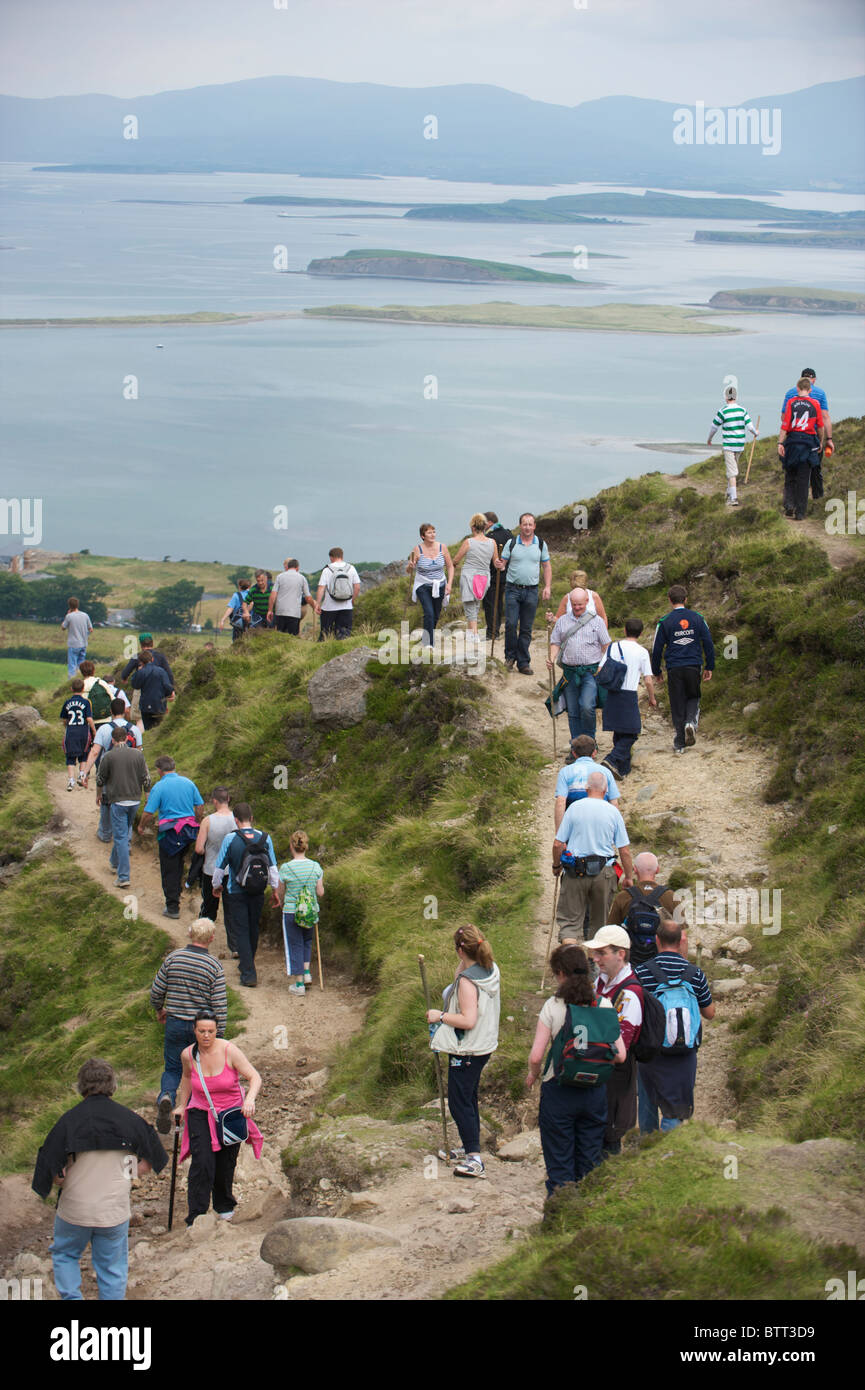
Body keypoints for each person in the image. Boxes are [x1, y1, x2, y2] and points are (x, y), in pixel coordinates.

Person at [32, 1058, 166, 1301]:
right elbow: (151, 1161)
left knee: (65, 1255)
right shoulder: (130, 1120)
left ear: (80, 1086)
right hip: (114, 1209)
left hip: (75, 1209)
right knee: (112, 1267)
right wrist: (124, 1172)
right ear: (113, 1085)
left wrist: (63, 1178)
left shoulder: (68, 1121)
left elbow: (53, 1173)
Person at [526, 944, 625, 1197]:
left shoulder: (552, 1006)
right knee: (590, 1162)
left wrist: (532, 1075)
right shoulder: (603, 1004)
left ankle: (558, 1224)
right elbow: (621, 1055)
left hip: (559, 1091)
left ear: (560, 973)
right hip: (594, 1092)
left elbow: (537, 1055)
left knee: (560, 1164)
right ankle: (587, 1222)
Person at [173, 1011, 263, 1225]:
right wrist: (182, 1105)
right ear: (194, 1031)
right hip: (200, 1110)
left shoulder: (229, 1050)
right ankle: (197, 1214)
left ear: (216, 1031)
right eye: (201, 1031)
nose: (206, 1035)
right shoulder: (188, 1055)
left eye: (210, 1031)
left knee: (225, 1162)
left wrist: (249, 1100)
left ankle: (224, 1205)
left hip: (231, 1114)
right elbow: (187, 1078)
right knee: (202, 1161)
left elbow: (254, 1077)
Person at [426, 925, 500, 1179]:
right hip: (483, 1045)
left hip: (467, 1048)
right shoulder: (489, 969)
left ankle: (475, 1159)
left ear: (460, 950)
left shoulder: (468, 983)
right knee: (468, 1098)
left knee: (459, 1103)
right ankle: (469, 1148)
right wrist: (463, 962)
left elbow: (468, 1020)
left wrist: (440, 1016)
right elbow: (460, 975)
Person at [634, 916, 714, 1133]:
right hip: (684, 1053)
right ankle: (669, 1154)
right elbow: (710, 1013)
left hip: (651, 1051)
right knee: (675, 1110)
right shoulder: (695, 974)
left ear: (657, 940)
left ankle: (646, 1149)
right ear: (681, 942)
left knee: (648, 1103)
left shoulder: (641, 972)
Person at [150, 918, 228, 1133]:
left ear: (189, 934)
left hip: (174, 1021)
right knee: (197, 1069)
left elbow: (157, 990)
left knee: (173, 1066)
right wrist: (217, 1034)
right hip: (201, 1027)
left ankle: (166, 1094)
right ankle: (190, 1114)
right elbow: (219, 1004)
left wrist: (160, 1009)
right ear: (211, 938)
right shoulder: (214, 966)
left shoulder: (173, 958)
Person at [553, 770, 634, 942]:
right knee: (599, 925)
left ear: (587, 788)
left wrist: (556, 865)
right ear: (605, 791)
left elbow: (558, 844)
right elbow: (624, 850)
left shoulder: (574, 808)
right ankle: (594, 966)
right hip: (604, 873)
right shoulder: (613, 812)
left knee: (569, 923)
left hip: (575, 871)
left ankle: (570, 963)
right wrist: (629, 876)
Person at [585, 925, 645, 1157]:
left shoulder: (629, 994)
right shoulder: (599, 983)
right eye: (595, 953)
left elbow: (621, 1048)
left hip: (615, 1078)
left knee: (608, 1142)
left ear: (621, 953)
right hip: (597, 1074)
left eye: (602, 953)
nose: (596, 959)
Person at [212, 802, 280, 988]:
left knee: (241, 929)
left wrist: (216, 886)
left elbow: (219, 868)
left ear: (235, 820)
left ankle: (249, 973)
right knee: (253, 928)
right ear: (251, 818)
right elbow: (273, 868)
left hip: (236, 891)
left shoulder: (230, 839)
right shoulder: (265, 838)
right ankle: (247, 963)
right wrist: (275, 890)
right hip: (258, 890)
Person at [138, 756, 205, 919]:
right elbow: (200, 805)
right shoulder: (188, 783)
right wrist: (197, 821)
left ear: (160, 771)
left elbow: (148, 812)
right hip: (188, 831)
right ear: (174, 767)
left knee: (169, 868)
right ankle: (178, 893)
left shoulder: (160, 786)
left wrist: (141, 826)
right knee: (179, 863)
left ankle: (172, 907)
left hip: (170, 832)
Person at [651, 585, 715, 755]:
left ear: (669, 600)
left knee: (677, 701)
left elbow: (657, 648)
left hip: (674, 667)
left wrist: (656, 670)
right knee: (693, 695)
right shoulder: (698, 618)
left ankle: (680, 742)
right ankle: (690, 722)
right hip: (693, 665)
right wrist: (710, 666)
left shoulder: (664, 622)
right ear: (686, 599)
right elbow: (708, 643)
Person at [547, 588, 612, 741]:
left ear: (587, 602)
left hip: (590, 672)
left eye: (580, 605)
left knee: (587, 706)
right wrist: (551, 657)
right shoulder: (562, 621)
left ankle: (589, 742)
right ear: (570, 602)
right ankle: (576, 745)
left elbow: (606, 646)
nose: (577, 608)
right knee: (573, 711)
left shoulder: (597, 622)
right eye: (574, 604)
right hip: (569, 673)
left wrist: (604, 667)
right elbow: (555, 642)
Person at [597, 618, 657, 778]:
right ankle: (612, 759)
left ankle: (623, 769)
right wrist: (652, 698)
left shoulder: (613, 647)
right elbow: (648, 680)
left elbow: (600, 669)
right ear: (641, 633)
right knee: (632, 732)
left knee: (619, 731)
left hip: (612, 693)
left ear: (624, 630)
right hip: (629, 694)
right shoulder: (642, 652)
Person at [494, 512, 551, 674]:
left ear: (534, 526)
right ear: (520, 525)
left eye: (530, 524)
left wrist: (547, 587)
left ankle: (523, 662)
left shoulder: (540, 544)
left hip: (532, 590)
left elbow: (546, 566)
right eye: (524, 524)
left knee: (526, 627)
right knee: (511, 624)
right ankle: (510, 657)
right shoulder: (511, 543)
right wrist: (500, 565)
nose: (527, 527)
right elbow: (503, 564)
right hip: (512, 589)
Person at [607, 851, 687, 964]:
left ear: (634, 870)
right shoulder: (671, 897)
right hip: (661, 965)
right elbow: (682, 938)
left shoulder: (623, 897)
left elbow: (611, 934)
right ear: (658, 870)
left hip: (631, 966)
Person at [95, 725, 151, 888]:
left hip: (118, 801)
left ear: (112, 740)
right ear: (127, 738)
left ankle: (124, 876)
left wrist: (99, 795)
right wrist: (147, 798)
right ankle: (114, 862)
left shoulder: (108, 756)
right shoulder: (138, 755)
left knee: (120, 837)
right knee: (123, 833)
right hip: (135, 800)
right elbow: (146, 778)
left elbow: (100, 779)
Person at [276, 830, 324, 996]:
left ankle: (299, 985)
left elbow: (280, 891)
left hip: (291, 911)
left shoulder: (286, 868)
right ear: (306, 846)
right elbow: (320, 892)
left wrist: (281, 901)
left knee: (294, 944)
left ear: (291, 846)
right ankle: (306, 974)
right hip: (311, 911)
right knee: (306, 941)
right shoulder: (315, 867)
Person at [781, 367, 834, 501]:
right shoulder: (820, 394)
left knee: (792, 471)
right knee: (815, 468)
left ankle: (790, 501)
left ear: (800, 380)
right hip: (813, 436)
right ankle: (817, 498)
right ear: (814, 380)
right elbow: (825, 417)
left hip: (793, 436)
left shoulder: (790, 393)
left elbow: (783, 417)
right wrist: (829, 439)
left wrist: (782, 440)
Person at [778, 377, 825, 521]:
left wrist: (780, 443)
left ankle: (789, 505)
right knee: (804, 479)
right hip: (808, 443)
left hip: (792, 441)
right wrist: (821, 441)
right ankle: (800, 512)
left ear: (797, 388)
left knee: (790, 475)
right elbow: (820, 426)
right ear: (810, 390)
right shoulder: (815, 403)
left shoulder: (791, 402)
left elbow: (785, 425)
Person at [554, 735, 620, 834]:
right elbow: (614, 802)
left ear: (574, 753)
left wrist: (559, 835)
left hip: (574, 823)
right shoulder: (605, 772)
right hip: (600, 822)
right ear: (594, 752)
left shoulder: (565, 772)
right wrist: (615, 832)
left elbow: (560, 802)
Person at [707, 384, 759, 507]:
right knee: (733, 470)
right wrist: (756, 433)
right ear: (735, 396)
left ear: (726, 397)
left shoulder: (723, 411)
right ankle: (729, 494)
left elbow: (714, 427)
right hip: (740, 445)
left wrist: (709, 439)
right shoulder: (742, 410)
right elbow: (750, 426)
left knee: (732, 472)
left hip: (729, 445)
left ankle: (734, 498)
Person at [194, 787, 237, 934]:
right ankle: (235, 946)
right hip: (231, 870)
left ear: (214, 801)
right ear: (228, 799)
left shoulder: (207, 821)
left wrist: (209, 850)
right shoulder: (236, 819)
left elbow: (199, 848)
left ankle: (202, 937)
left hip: (211, 869)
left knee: (209, 906)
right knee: (231, 909)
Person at [452, 514, 496, 652]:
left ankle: (475, 636)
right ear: (484, 527)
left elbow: (456, 559)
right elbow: (496, 562)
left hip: (470, 576)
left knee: (470, 607)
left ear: (473, 527)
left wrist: (455, 564)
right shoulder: (492, 542)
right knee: (475, 606)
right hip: (484, 577)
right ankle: (471, 636)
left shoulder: (469, 542)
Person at [407, 524, 454, 648]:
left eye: (434, 532)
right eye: (429, 533)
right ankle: (429, 644)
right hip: (423, 585)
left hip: (440, 584)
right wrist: (410, 566)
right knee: (429, 613)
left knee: (436, 614)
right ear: (423, 536)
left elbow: (450, 566)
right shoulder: (417, 549)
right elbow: (409, 570)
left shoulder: (442, 547)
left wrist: (449, 584)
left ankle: (427, 636)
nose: (432, 534)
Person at [315, 547, 361, 640]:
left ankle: (323, 653)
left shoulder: (327, 570)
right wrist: (352, 600)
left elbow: (321, 588)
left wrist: (317, 604)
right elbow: (357, 587)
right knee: (344, 634)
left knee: (325, 634)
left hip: (329, 607)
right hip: (346, 607)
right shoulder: (351, 568)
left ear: (331, 557)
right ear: (342, 556)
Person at [59, 678, 95, 791]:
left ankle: (70, 781)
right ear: (83, 689)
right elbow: (89, 718)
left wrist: (67, 725)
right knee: (84, 754)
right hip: (83, 731)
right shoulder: (86, 702)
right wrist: (94, 730)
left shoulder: (67, 702)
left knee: (70, 757)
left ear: (71, 689)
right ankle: (81, 775)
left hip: (71, 732)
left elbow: (64, 719)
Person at [481, 512, 512, 642]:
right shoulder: (509, 534)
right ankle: (496, 631)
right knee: (499, 604)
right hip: (507, 575)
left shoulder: (489, 537)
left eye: (484, 523)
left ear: (489, 523)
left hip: (493, 575)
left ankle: (492, 633)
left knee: (490, 604)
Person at [129, 648, 175, 731]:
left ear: (141, 662)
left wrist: (137, 672)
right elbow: (167, 686)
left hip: (145, 706)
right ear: (152, 659)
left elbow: (135, 685)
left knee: (147, 727)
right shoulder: (161, 671)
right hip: (159, 704)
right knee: (159, 727)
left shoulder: (141, 672)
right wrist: (169, 694)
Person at [267, 558, 314, 635]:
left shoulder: (279, 577)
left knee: (280, 636)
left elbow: (273, 595)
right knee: (292, 637)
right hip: (294, 613)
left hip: (280, 612)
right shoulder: (302, 578)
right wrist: (314, 606)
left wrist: (270, 610)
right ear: (297, 567)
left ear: (287, 567)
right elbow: (308, 597)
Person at [79, 660, 126, 730]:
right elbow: (113, 699)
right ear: (93, 671)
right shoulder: (101, 682)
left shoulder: (81, 685)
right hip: (105, 720)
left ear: (81, 672)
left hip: (89, 722)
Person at [61, 598, 93, 680]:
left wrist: (67, 615)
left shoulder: (69, 616)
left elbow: (63, 627)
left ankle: (72, 681)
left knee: (72, 665)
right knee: (81, 664)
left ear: (69, 606)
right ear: (78, 605)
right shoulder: (85, 615)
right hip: (83, 643)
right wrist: (85, 636)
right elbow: (91, 629)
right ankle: (82, 679)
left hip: (73, 644)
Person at [219, 578, 251, 642]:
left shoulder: (236, 595)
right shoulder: (252, 594)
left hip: (238, 624)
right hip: (251, 623)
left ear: (239, 587)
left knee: (237, 642)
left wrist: (223, 620)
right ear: (249, 586)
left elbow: (230, 609)